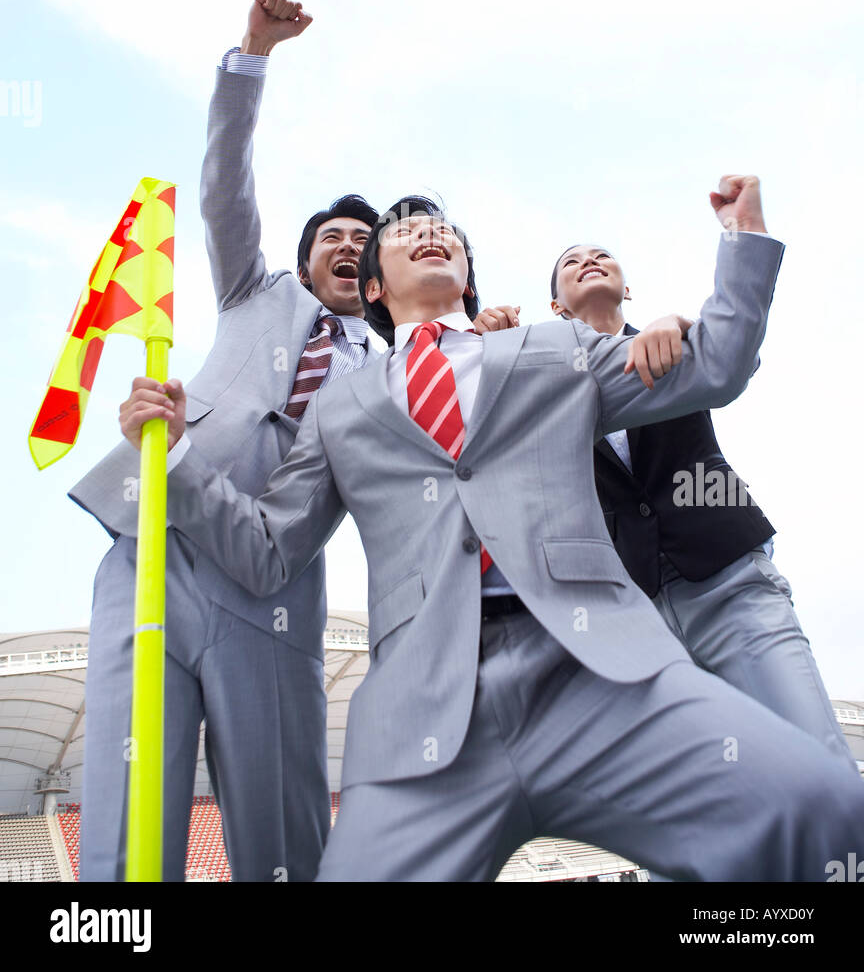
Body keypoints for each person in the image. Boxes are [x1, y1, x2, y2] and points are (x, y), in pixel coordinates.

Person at [119, 180, 864, 881]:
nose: (430, 234)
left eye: (445, 230)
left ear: (468, 274)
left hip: (600, 678)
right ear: (373, 286)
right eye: (407, 231)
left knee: (826, 810)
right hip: (424, 725)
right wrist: (178, 456)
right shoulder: (338, 408)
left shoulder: (556, 350)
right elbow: (268, 549)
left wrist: (743, 243)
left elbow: (716, 368)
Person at [69, 0, 379, 881]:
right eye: (335, 236)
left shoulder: (392, 377)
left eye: (368, 239)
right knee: (129, 829)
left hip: (271, 601)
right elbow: (223, 192)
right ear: (306, 254)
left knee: (281, 839)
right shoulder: (257, 291)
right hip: (152, 549)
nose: (350, 245)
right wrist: (253, 56)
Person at [549, 239, 857, 772]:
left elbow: (734, 356)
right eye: (571, 263)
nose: (588, 262)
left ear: (627, 289)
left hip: (728, 580)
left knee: (813, 760)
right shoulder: (546, 386)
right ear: (555, 308)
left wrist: (684, 325)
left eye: (601, 255)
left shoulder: (671, 344)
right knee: (689, 799)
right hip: (636, 613)